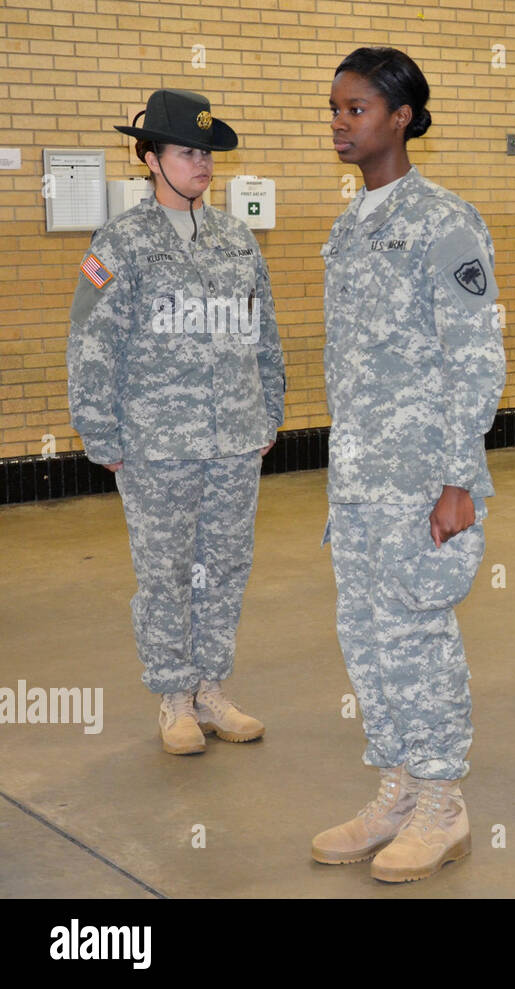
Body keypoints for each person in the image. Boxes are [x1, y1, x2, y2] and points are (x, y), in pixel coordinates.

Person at [308, 47, 505, 883]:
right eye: (335, 109)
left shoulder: (444, 222)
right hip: (358, 482)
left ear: (402, 117)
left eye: (357, 109)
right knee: (369, 639)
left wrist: (460, 477)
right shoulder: (351, 223)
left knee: (420, 636)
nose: (341, 123)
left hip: (425, 478)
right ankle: (395, 786)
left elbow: (477, 357)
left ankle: (441, 803)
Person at [66, 89, 284, 756]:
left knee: (223, 565)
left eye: (208, 152)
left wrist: (269, 411)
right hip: (157, 443)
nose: (203, 164)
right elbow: (90, 341)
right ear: (150, 159)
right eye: (188, 152)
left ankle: (211, 688)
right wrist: (98, 431)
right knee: (165, 568)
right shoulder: (122, 242)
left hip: (235, 439)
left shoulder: (235, 238)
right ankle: (172, 696)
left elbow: (264, 333)